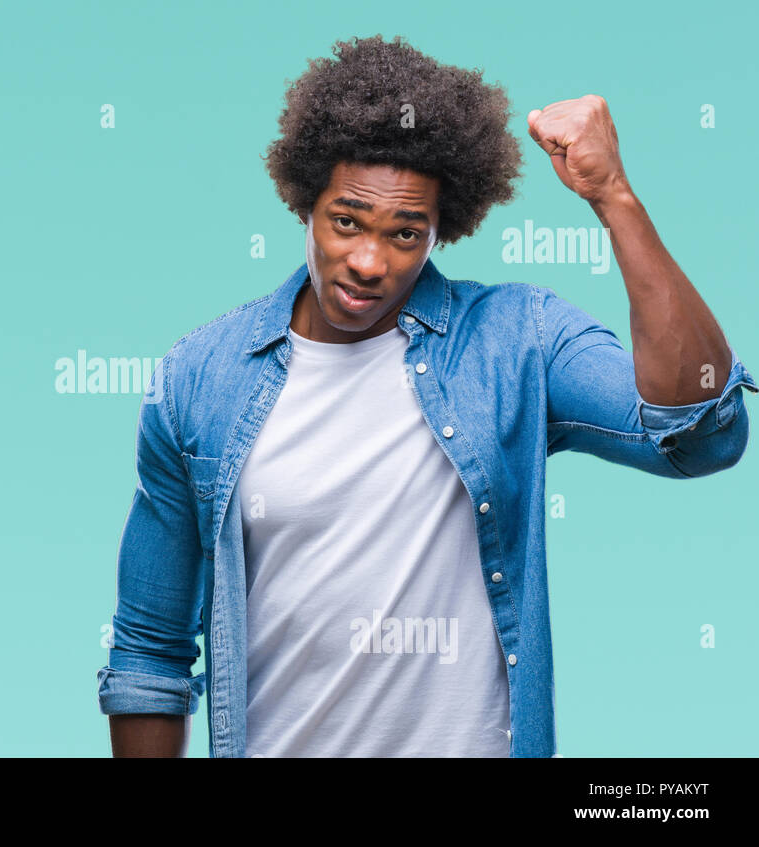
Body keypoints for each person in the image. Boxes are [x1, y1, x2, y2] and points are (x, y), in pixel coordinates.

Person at [96, 34, 757, 757]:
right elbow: (149, 651)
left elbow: (697, 430)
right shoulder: (201, 378)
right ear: (304, 202)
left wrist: (613, 197)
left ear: (443, 230)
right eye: (346, 221)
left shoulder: (517, 340)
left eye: (406, 233)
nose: (369, 261)